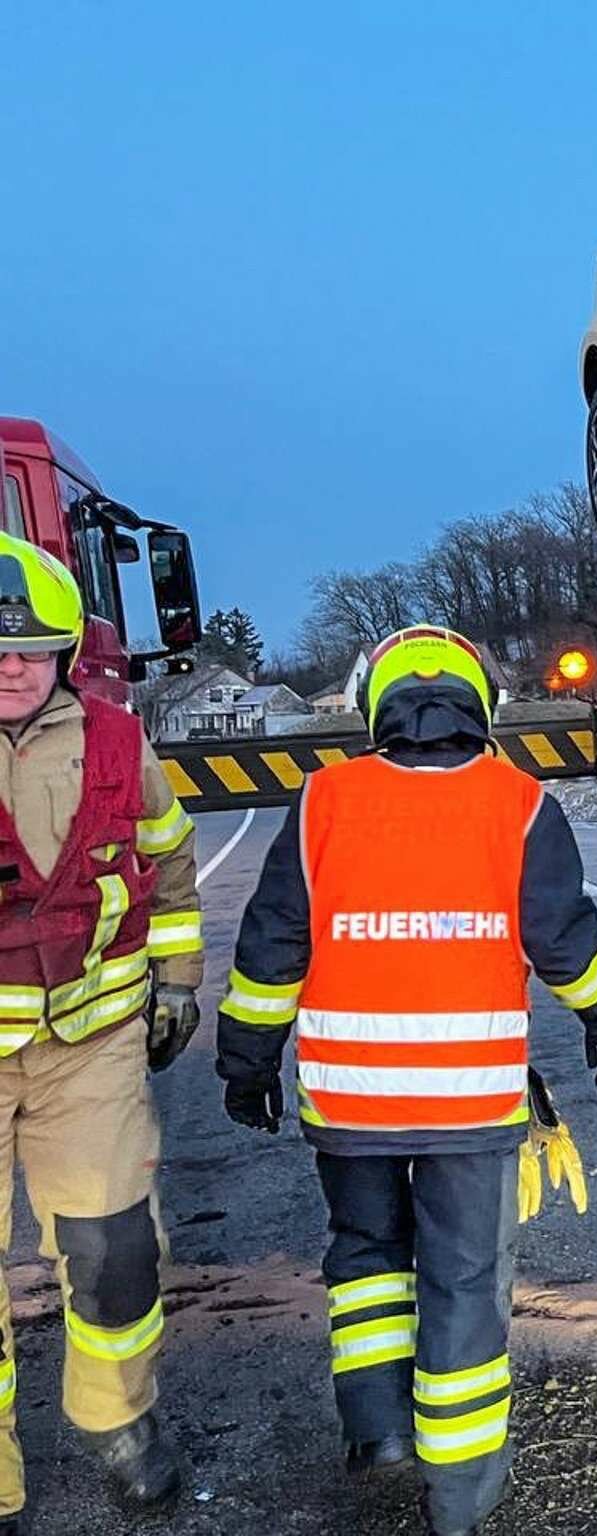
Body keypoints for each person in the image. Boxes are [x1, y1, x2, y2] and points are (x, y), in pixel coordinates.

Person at [215, 625, 597, 1536]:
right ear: (480, 704)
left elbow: (272, 944)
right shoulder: (518, 804)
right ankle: (458, 1500)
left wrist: (246, 1062)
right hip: (470, 1106)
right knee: (461, 1285)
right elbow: (564, 940)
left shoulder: (324, 801)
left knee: (365, 1257)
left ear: (376, 707)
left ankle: (376, 1430)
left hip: (350, 1099)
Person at [0, 534, 203, 1528]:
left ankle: (120, 1421)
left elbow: (166, 870)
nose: (9, 665)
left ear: (61, 655)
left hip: (91, 1047)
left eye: (28, 648)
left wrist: (178, 982)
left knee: (117, 1248)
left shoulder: (121, 745)